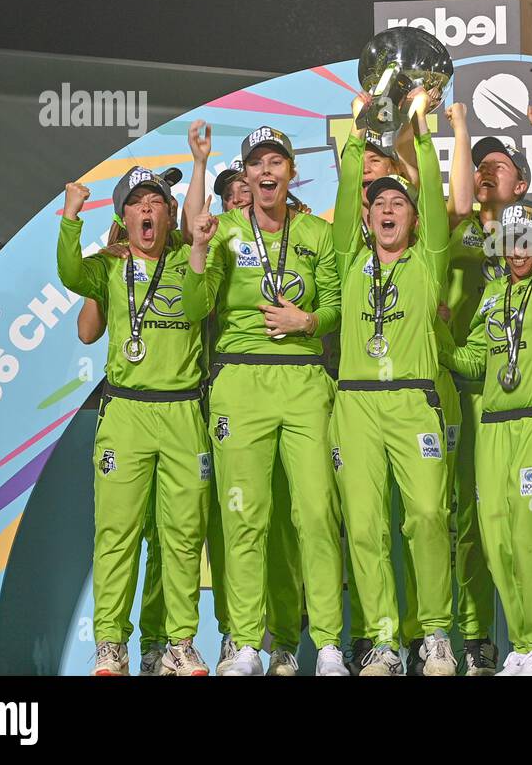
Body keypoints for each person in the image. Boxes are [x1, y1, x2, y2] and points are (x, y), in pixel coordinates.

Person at [183, 126, 347, 677]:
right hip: (240, 382)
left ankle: (326, 644)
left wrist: (309, 320)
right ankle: (246, 644)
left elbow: (337, 307)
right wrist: (200, 249)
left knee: (317, 514)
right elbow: (195, 304)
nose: (267, 171)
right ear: (246, 177)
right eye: (257, 164)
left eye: (277, 161)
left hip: (304, 381)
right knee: (244, 516)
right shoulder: (224, 230)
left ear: (291, 172)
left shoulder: (317, 235)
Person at [58, 167, 210, 676]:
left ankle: (179, 642)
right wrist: (71, 218)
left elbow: (199, 300)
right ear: (124, 217)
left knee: (183, 534)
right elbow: (70, 274)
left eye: (156, 202)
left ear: (169, 214)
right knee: (117, 532)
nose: (148, 209)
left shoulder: (190, 264)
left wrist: (198, 246)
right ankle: (109, 645)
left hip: (184, 411)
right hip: (125, 412)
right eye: (137, 202)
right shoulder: (108, 266)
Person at [331, 91, 458, 676]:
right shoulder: (349, 259)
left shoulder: (429, 257)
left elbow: (432, 193)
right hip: (355, 405)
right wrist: (360, 132)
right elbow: (350, 181)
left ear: (412, 217)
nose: (388, 209)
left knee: (429, 515)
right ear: (365, 215)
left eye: (398, 204)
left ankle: (433, 636)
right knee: (363, 524)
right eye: (378, 202)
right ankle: (381, 639)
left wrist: (421, 129)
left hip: (413, 402)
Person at [439, 186, 532, 675]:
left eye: (530, 239)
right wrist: (436, 338)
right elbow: (477, 361)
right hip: (493, 426)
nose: (519, 249)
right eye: (512, 239)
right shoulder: (495, 292)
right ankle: (522, 645)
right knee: (495, 534)